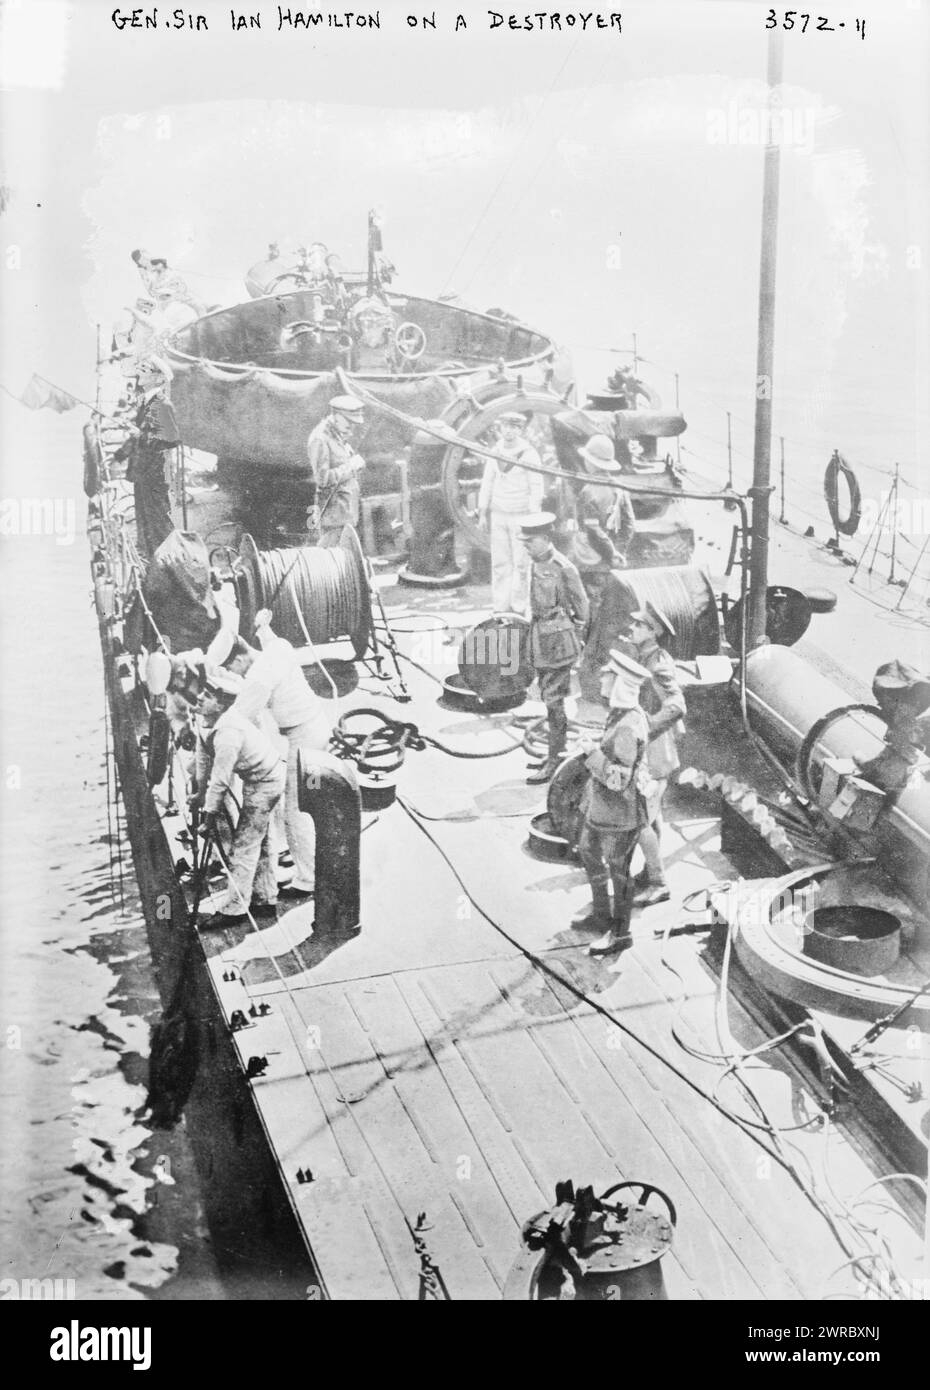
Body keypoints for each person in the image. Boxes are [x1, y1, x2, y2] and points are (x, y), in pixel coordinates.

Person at [211, 612, 331, 898]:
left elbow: (239, 716)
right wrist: (262, 624)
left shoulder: (258, 677)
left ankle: (309, 879)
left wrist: (212, 731)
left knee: (295, 810)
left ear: (238, 660)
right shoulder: (278, 648)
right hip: (317, 728)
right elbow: (270, 636)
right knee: (305, 801)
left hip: (305, 743)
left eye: (234, 670)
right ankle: (303, 854)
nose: (238, 675)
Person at [573, 649, 653, 957]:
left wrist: (591, 754)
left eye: (609, 674)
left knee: (619, 870)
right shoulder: (621, 714)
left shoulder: (627, 727)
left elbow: (618, 780)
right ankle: (601, 914)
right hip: (601, 809)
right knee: (589, 851)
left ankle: (620, 934)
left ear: (619, 683)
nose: (603, 676)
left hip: (620, 814)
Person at [193, 671, 287, 930]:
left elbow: (220, 780)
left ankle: (235, 909)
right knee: (264, 841)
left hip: (263, 784)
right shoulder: (226, 720)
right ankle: (265, 897)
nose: (200, 697)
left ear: (221, 705)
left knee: (243, 847)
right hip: (269, 776)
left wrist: (208, 816)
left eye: (208, 696)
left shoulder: (227, 733)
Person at [520, 512, 590, 784]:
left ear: (546, 539)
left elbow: (582, 605)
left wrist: (577, 635)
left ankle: (555, 759)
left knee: (554, 701)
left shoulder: (564, 567)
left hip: (559, 642)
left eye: (531, 542)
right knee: (548, 700)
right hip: (540, 637)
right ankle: (553, 753)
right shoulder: (535, 563)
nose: (526, 546)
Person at [627, 602, 686, 906]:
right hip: (653, 749)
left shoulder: (657, 664)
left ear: (653, 632)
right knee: (652, 814)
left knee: (640, 819)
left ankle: (658, 882)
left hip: (655, 751)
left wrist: (646, 727)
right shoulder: (647, 656)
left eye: (639, 625)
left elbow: (676, 706)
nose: (632, 628)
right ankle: (649, 871)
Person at [112, 355, 179, 559]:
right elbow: (141, 435)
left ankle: (170, 562)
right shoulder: (146, 402)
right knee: (144, 521)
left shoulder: (162, 404)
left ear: (159, 378)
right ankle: (152, 563)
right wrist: (119, 455)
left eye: (146, 369)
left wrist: (140, 434)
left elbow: (170, 439)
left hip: (156, 473)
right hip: (142, 471)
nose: (140, 370)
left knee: (158, 521)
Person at [478, 412, 545, 615]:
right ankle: (500, 607)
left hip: (521, 516)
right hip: (498, 514)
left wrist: (534, 518)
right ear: (500, 428)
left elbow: (536, 485)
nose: (509, 431)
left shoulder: (529, 453)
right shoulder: (495, 451)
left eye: (514, 427)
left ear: (521, 430)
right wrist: (482, 513)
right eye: (506, 426)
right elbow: (487, 482)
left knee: (521, 564)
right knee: (500, 563)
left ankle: (519, 607)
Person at [566, 432, 637, 619]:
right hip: (609, 562)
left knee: (589, 606)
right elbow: (629, 526)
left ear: (592, 463)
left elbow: (593, 530)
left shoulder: (588, 492)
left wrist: (611, 553)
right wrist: (618, 552)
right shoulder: (620, 489)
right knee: (609, 605)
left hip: (589, 560)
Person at [306, 395, 367, 547]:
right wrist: (352, 466)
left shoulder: (336, 433)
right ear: (336, 416)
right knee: (333, 561)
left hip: (345, 513)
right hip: (333, 516)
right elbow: (323, 479)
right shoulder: (320, 439)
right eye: (349, 422)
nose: (352, 427)